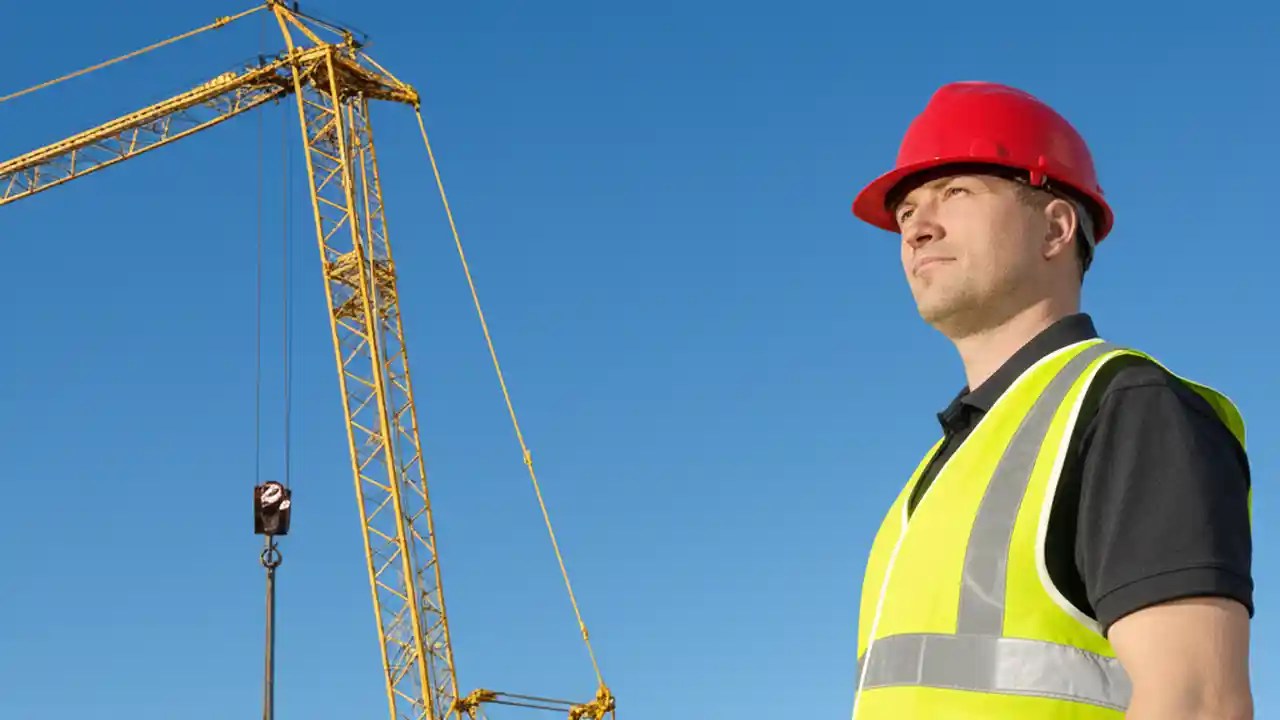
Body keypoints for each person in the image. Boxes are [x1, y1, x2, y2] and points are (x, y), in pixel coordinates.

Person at [847, 81, 1254, 719]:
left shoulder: (1126, 409)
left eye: (955, 192)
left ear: (1056, 228)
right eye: (905, 213)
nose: (918, 229)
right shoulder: (937, 474)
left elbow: (1198, 703)